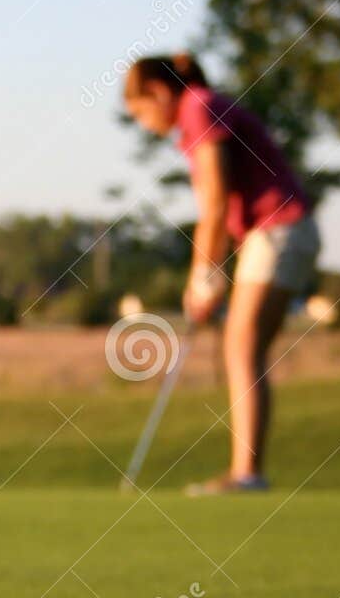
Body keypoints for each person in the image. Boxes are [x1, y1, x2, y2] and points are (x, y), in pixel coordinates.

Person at [124, 53, 320, 495]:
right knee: (241, 346)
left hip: (279, 231)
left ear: (157, 92)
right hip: (270, 234)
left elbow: (212, 204)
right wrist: (214, 271)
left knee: (241, 345)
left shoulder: (198, 106)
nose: (142, 122)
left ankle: (247, 474)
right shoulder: (201, 108)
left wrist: (202, 276)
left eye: (139, 111)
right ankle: (246, 471)